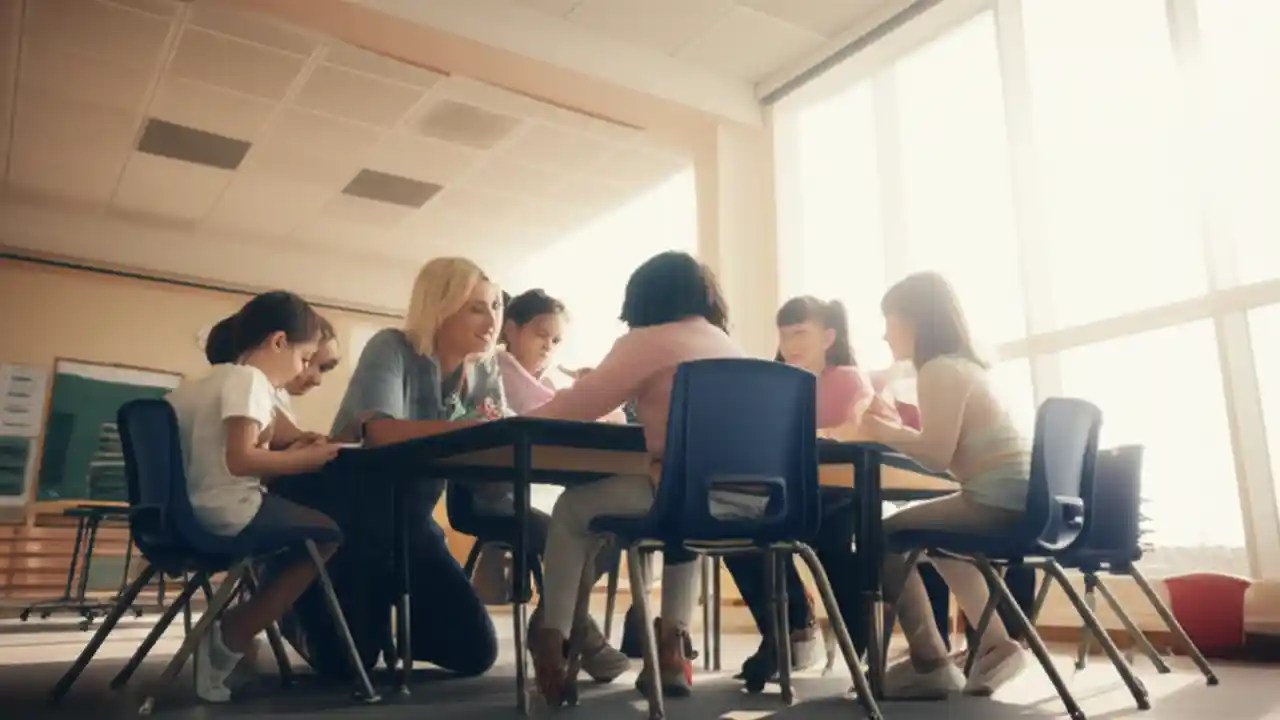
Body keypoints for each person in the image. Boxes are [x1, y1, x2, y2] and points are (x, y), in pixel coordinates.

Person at [526, 251, 743, 705]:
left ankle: (554, 644)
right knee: (685, 512)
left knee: (570, 509)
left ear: (641, 297)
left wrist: (509, 427)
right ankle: (671, 649)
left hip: (680, 492)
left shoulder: (645, 342)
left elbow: (572, 409)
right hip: (747, 500)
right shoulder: (730, 347)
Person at [862, 272, 1032, 699]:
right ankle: (996, 645)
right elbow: (942, 449)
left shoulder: (938, 369)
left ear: (914, 321)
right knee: (939, 543)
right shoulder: (968, 367)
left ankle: (930, 659)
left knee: (882, 534)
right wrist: (896, 431)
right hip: (1021, 496)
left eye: (890, 320)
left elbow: (936, 455)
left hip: (995, 499)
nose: (884, 334)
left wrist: (880, 431)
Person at [167, 291, 342, 702]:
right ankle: (233, 634)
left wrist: (300, 442)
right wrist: (310, 459)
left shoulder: (205, 384)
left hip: (188, 513)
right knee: (326, 536)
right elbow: (242, 459)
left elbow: (261, 437)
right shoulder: (250, 381)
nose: (303, 371)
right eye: (303, 359)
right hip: (229, 510)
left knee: (298, 530)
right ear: (279, 342)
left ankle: (240, 628)